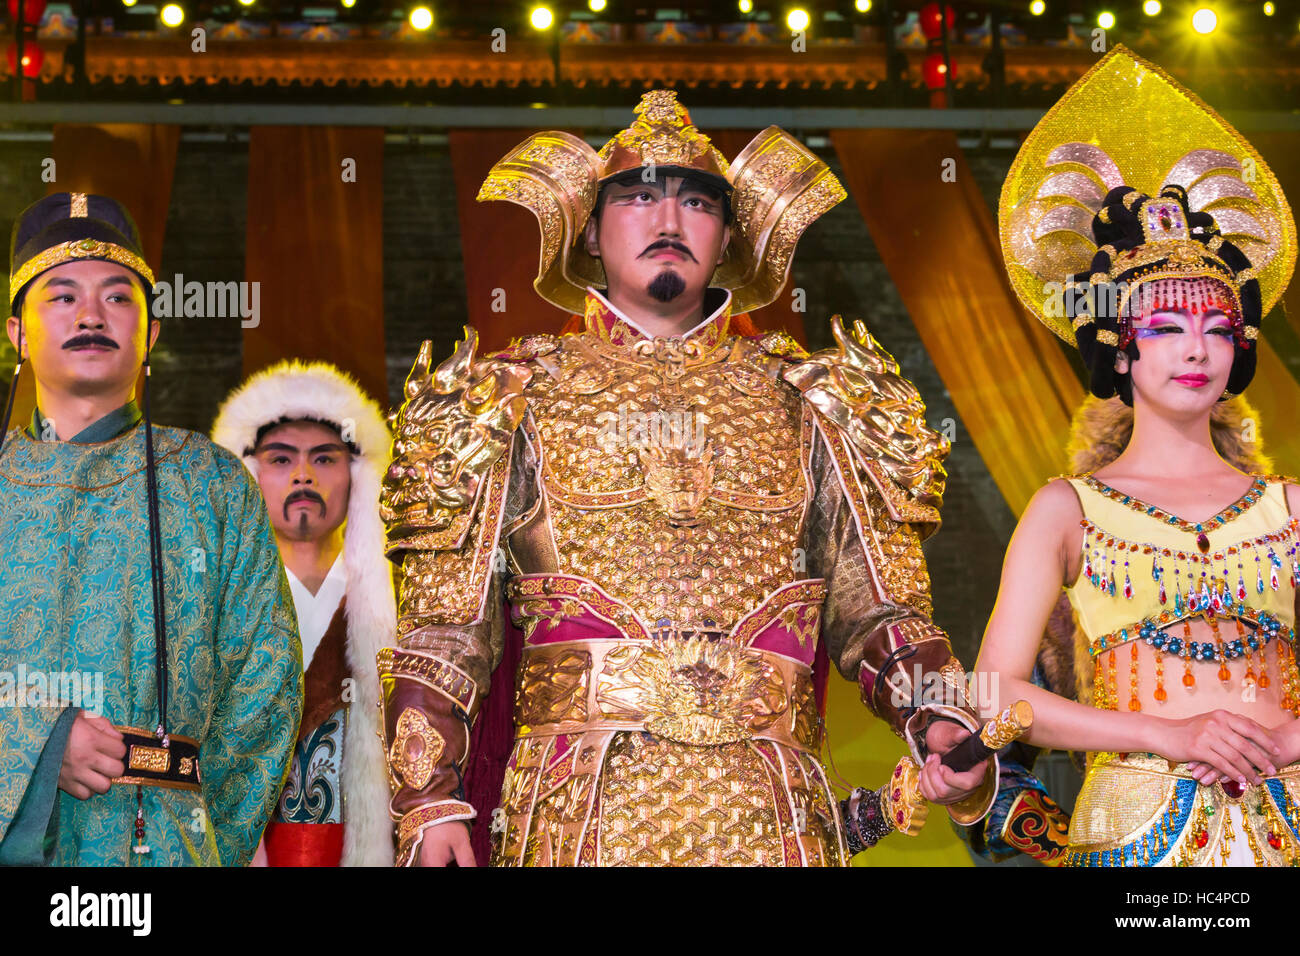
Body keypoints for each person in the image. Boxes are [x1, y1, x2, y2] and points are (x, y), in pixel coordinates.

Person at [378, 89, 997, 867]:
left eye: (698, 203)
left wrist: (938, 716)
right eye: (637, 198)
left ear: (730, 235)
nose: (668, 221)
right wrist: (430, 801)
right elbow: (442, 637)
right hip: (575, 815)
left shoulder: (814, 404)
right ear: (589, 234)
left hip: (773, 815)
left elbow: (881, 615)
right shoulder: (508, 399)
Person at [982, 45, 1300, 866]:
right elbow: (994, 695)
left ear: (1240, 348)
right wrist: (1168, 731)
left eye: (1217, 327)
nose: (1195, 348)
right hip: (1132, 836)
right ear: (1119, 351)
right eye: (1164, 326)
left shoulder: (1290, 508)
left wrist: (1285, 741)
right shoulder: (1068, 509)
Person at [0, 192, 301, 865]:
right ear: (16, 332)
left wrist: (191, 833)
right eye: (61, 296)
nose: (90, 315)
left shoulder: (212, 483)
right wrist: (39, 749)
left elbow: (266, 685)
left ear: (152, 334)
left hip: (158, 843)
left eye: (117, 297)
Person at [212, 360, 396, 866]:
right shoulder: (208, 607)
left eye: (324, 458)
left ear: (356, 475)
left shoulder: (409, 599)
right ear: (248, 472)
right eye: (280, 459)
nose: (302, 474)